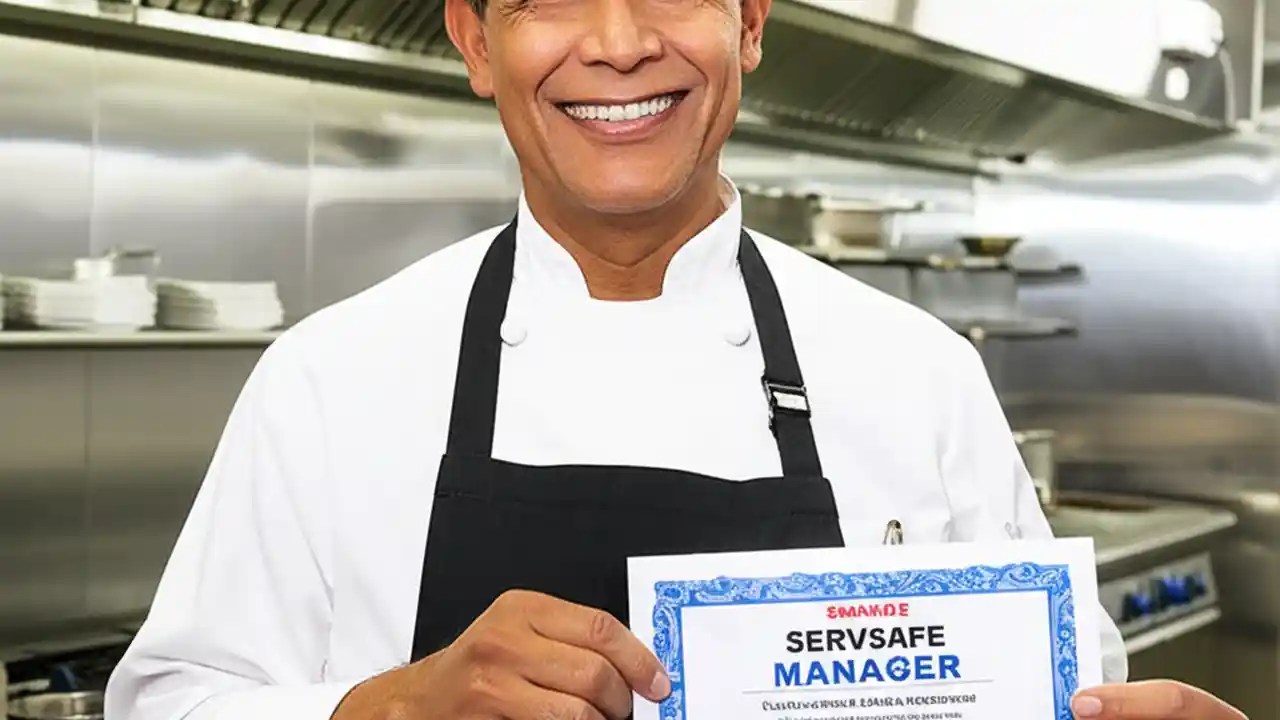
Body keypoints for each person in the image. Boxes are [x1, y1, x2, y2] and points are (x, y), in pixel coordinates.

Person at [103, 0, 1246, 719]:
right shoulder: (328, 379)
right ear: (473, 38)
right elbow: (167, 700)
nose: (615, 41)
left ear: (748, 24)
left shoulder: (919, 371)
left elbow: (1067, 689)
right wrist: (381, 712)